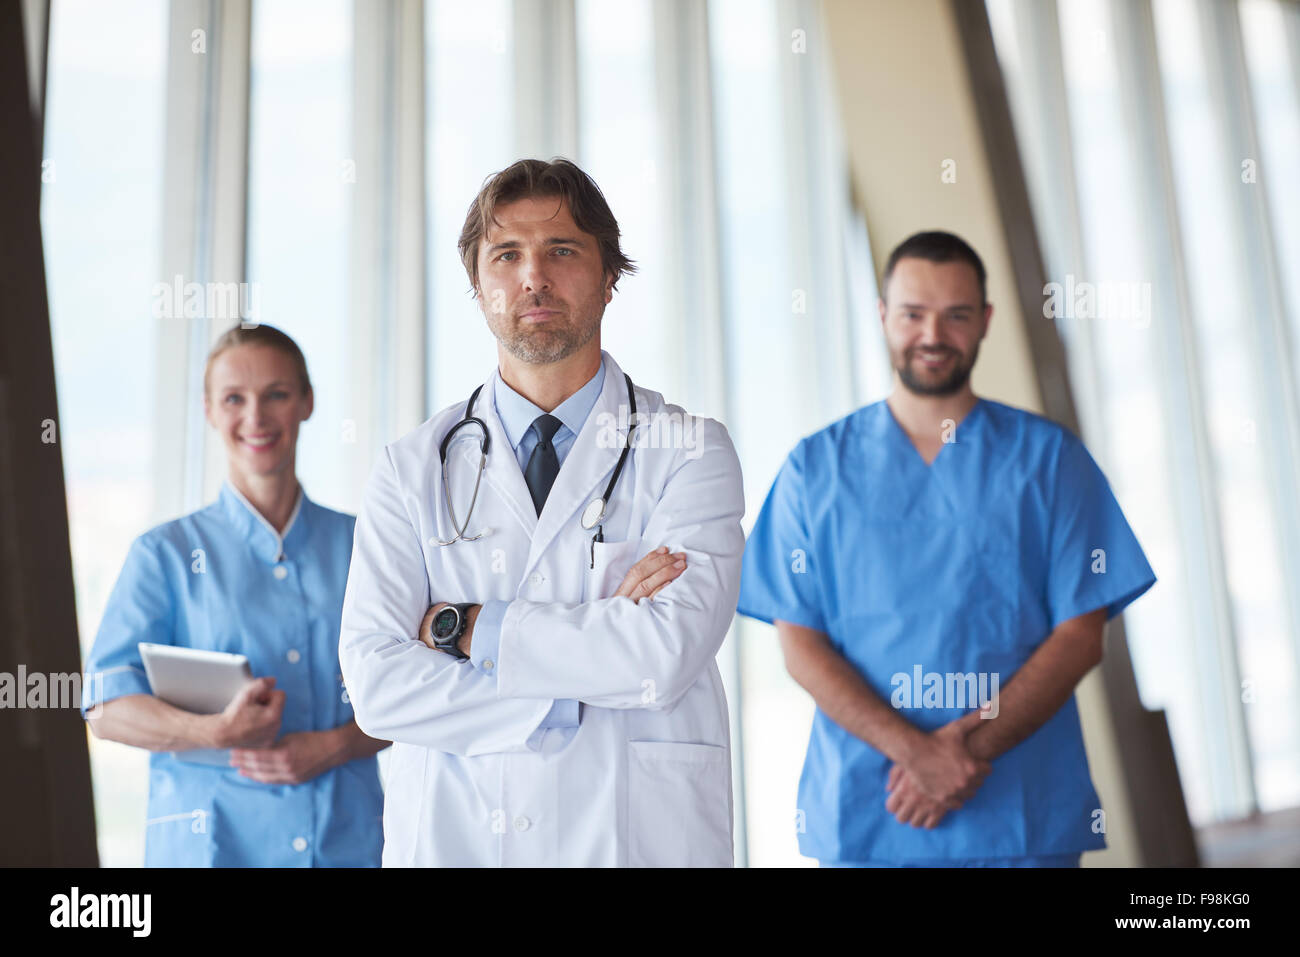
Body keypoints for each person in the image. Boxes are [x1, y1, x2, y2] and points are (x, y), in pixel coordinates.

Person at [339, 158, 745, 867]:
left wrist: (466, 627)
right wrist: (567, 690)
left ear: (610, 275)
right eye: (507, 255)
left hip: (634, 841)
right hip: (458, 838)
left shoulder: (690, 451)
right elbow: (377, 685)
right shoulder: (410, 470)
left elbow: (663, 652)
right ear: (477, 284)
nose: (534, 276)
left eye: (562, 250)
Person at [737, 231, 1156, 867]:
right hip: (873, 808)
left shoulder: (1049, 460)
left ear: (985, 321)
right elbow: (800, 641)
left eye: (956, 315)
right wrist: (916, 754)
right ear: (882, 316)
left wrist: (966, 755)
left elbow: (1080, 635)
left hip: (1018, 809)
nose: (933, 334)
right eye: (912, 314)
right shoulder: (815, 470)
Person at [81, 324, 388, 867]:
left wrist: (334, 745)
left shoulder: (365, 546)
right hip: (210, 849)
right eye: (233, 399)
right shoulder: (165, 555)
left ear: (307, 402)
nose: (256, 417)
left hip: (346, 845)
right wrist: (212, 731)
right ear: (208, 410)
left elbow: (415, 691)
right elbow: (106, 707)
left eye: (276, 394)